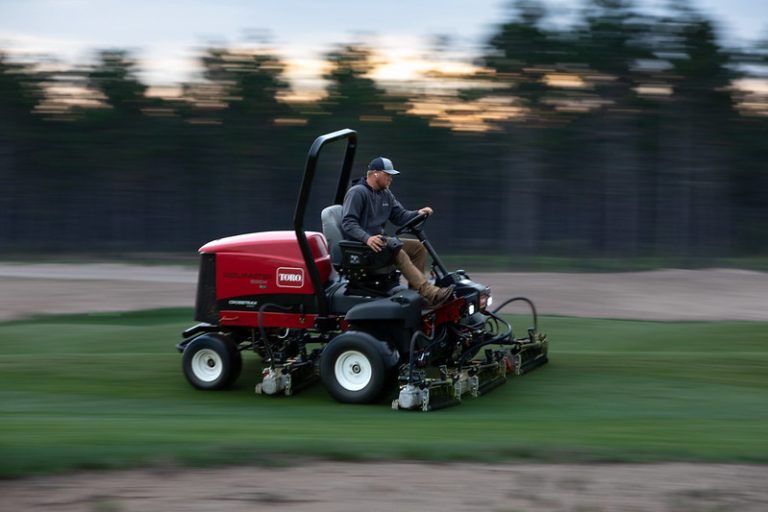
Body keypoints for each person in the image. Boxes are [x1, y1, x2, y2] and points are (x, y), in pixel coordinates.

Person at [341, 156, 454, 307]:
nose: (390, 179)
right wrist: (367, 238)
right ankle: (430, 292)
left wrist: (418, 213)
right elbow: (348, 223)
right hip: (363, 249)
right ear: (375, 173)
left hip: (380, 244)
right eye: (387, 175)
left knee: (418, 247)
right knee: (396, 249)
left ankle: (419, 296)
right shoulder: (357, 192)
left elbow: (400, 216)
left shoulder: (385, 194)